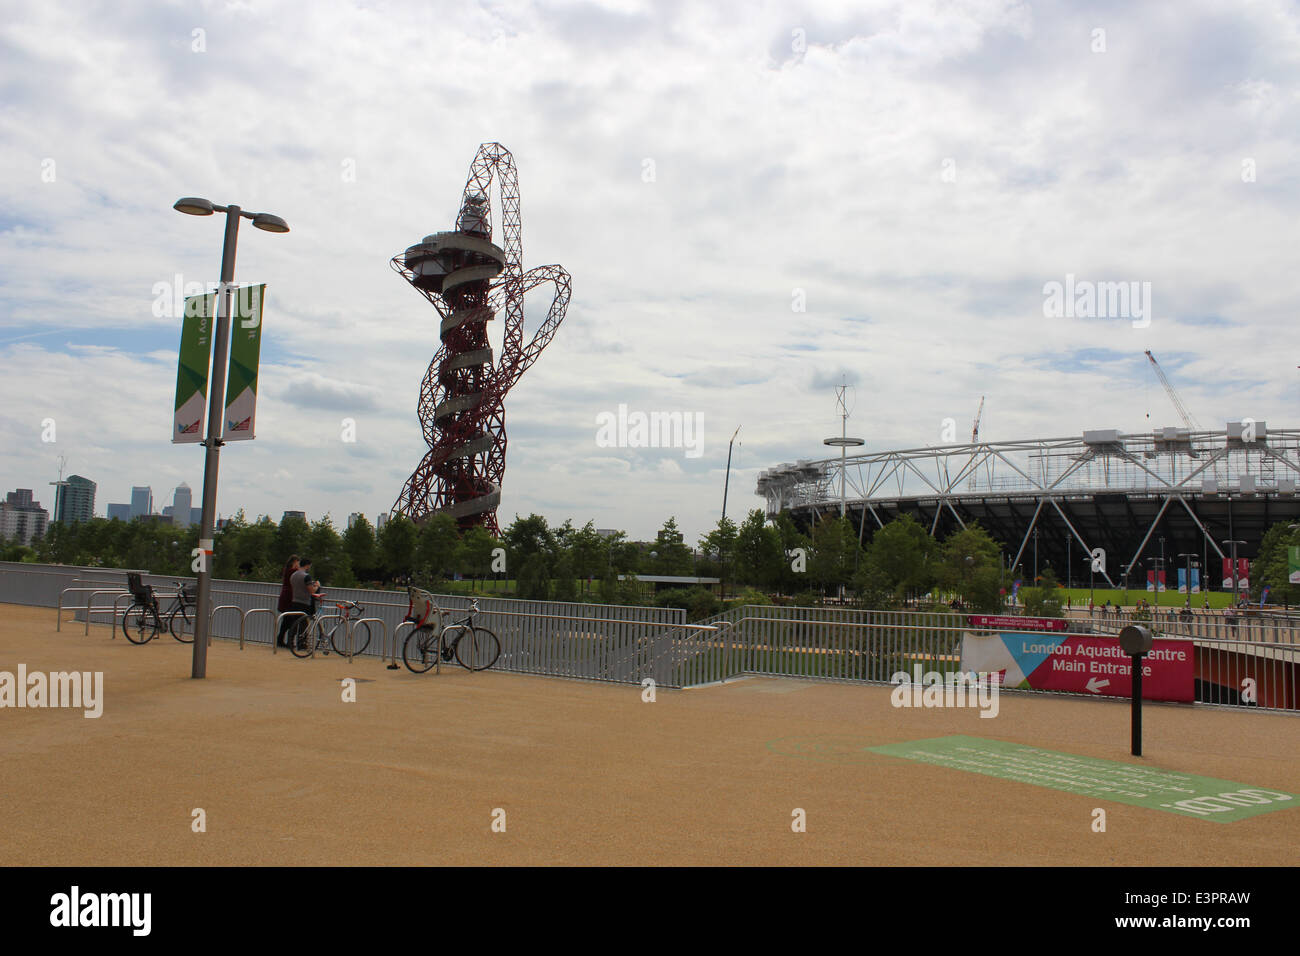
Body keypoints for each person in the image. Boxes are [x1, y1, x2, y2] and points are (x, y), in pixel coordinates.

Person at [287, 558, 323, 649]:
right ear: (307, 565)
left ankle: (290, 642)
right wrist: (317, 586)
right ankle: (302, 644)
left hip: (294, 601)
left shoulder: (293, 575)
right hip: (304, 603)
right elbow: (312, 591)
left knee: (294, 624)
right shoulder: (306, 576)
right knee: (303, 625)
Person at [275, 555, 300, 648]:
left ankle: (280, 639)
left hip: (285, 597)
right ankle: (290, 641)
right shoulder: (293, 571)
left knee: (286, 621)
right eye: (298, 562)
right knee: (292, 621)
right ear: (294, 562)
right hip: (290, 598)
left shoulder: (286, 570)